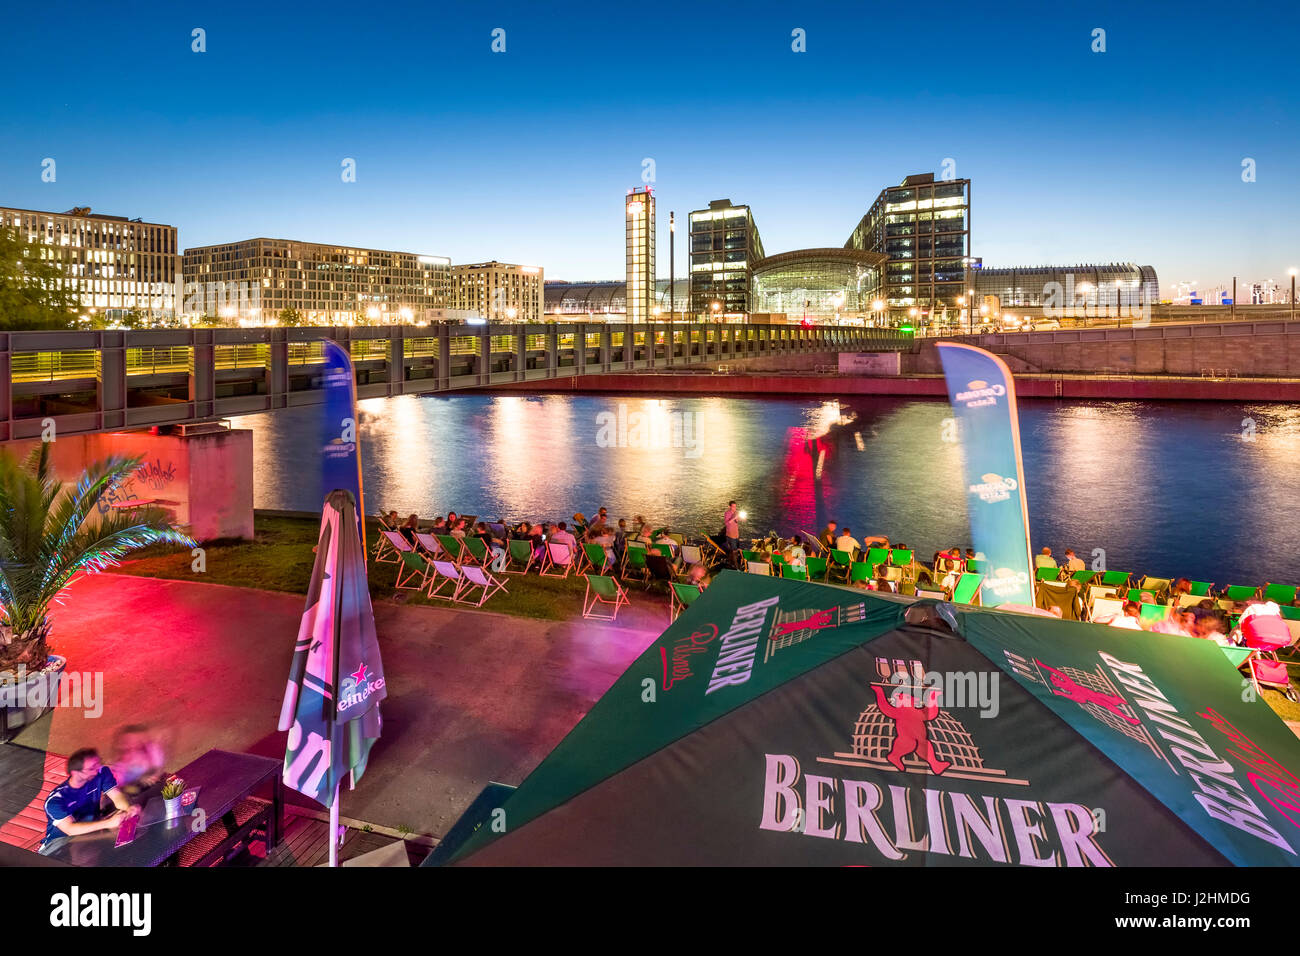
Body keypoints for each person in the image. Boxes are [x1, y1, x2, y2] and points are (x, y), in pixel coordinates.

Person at [41, 749, 136, 855]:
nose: (96, 770)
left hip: (90, 833)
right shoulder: (56, 800)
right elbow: (70, 830)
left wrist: (128, 809)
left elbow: (117, 796)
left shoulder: (101, 772)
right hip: (60, 843)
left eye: (98, 763)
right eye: (91, 768)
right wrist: (109, 824)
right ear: (75, 773)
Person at [110, 725, 166, 793]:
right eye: (127, 742)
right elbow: (120, 786)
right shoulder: (120, 767)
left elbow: (157, 768)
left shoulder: (147, 756)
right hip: (135, 794)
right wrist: (140, 780)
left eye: (138, 742)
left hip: (154, 789)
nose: (133, 746)